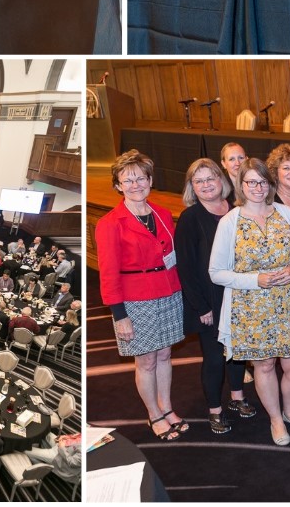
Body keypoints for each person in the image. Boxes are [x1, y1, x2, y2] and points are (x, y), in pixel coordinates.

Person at [210, 158, 290, 446]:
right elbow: (216, 272)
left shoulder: (286, 213)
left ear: (270, 185)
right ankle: (276, 418)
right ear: (241, 185)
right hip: (252, 307)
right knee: (266, 365)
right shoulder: (230, 221)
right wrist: (255, 280)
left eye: (263, 182)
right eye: (251, 182)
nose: (258, 188)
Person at [94, 150, 188, 441]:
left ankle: (167, 407)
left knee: (165, 354)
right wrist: (119, 315)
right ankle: (154, 413)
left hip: (169, 293)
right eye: (128, 180)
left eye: (141, 178)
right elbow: (108, 273)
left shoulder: (162, 213)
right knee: (146, 361)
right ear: (118, 185)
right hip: (135, 301)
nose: (135, 185)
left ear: (150, 180)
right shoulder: (110, 223)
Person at [175, 158, 251, 435]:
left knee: (238, 352)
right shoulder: (190, 218)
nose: (206, 185)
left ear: (222, 180)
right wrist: (201, 307)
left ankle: (237, 397)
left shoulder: (238, 209)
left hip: (240, 295)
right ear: (192, 187)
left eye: (211, 178)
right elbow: (185, 267)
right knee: (215, 357)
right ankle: (215, 410)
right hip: (209, 300)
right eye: (199, 181)